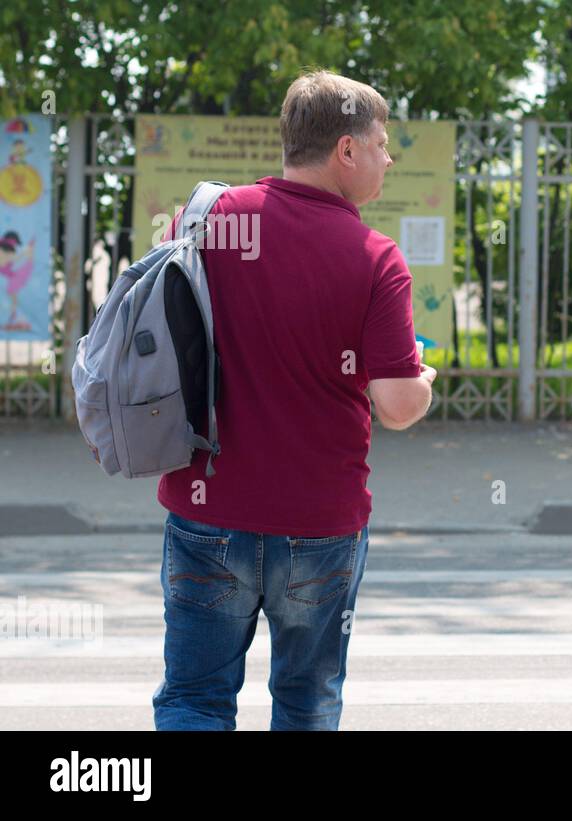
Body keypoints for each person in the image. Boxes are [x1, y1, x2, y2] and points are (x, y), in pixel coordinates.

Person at [151, 70, 437, 731]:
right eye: (381, 143)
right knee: (306, 706)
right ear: (345, 149)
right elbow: (396, 405)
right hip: (320, 526)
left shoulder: (201, 222)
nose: (387, 159)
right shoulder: (374, 257)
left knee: (193, 699)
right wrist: (424, 380)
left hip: (205, 508)